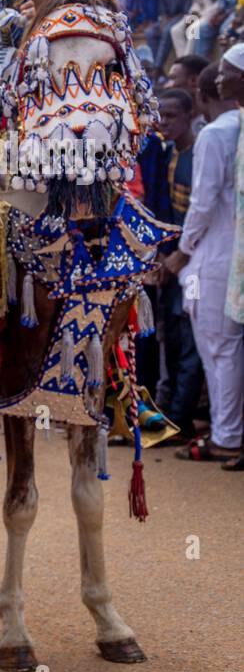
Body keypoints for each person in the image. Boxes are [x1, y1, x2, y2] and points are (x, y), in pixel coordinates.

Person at [165, 54, 244, 466]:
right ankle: (226, 428)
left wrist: (183, 251)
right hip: (230, 251)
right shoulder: (236, 127)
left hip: (214, 255)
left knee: (219, 348)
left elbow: (202, 203)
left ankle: (227, 436)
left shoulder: (215, 135)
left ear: (200, 92)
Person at [138, 88, 203, 438]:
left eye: (174, 116)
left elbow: (201, 213)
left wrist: (178, 255)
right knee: (172, 336)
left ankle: (181, 419)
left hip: (195, 262)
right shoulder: (167, 153)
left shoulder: (196, 155)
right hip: (171, 261)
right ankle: (169, 411)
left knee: (188, 337)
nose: (166, 122)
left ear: (192, 114)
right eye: (161, 115)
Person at [152, 0, 193, 80]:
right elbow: (163, 12)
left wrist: (167, 22)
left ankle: (157, 68)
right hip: (170, 18)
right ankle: (158, 66)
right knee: (151, 32)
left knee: (167, 31)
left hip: (186, 16)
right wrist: (164, 20)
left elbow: (187, 10)